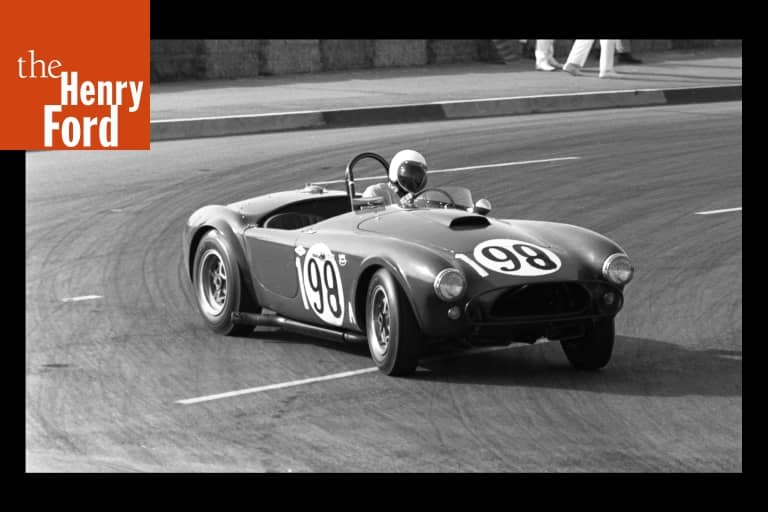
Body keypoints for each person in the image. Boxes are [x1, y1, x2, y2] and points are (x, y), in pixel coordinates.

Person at [363, 149, 428, 206]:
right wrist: (400, 207)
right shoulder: (375, 192)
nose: (414, 180)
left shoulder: (422, 198)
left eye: (418, 175)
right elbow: (372, 218)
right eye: (411, 174)